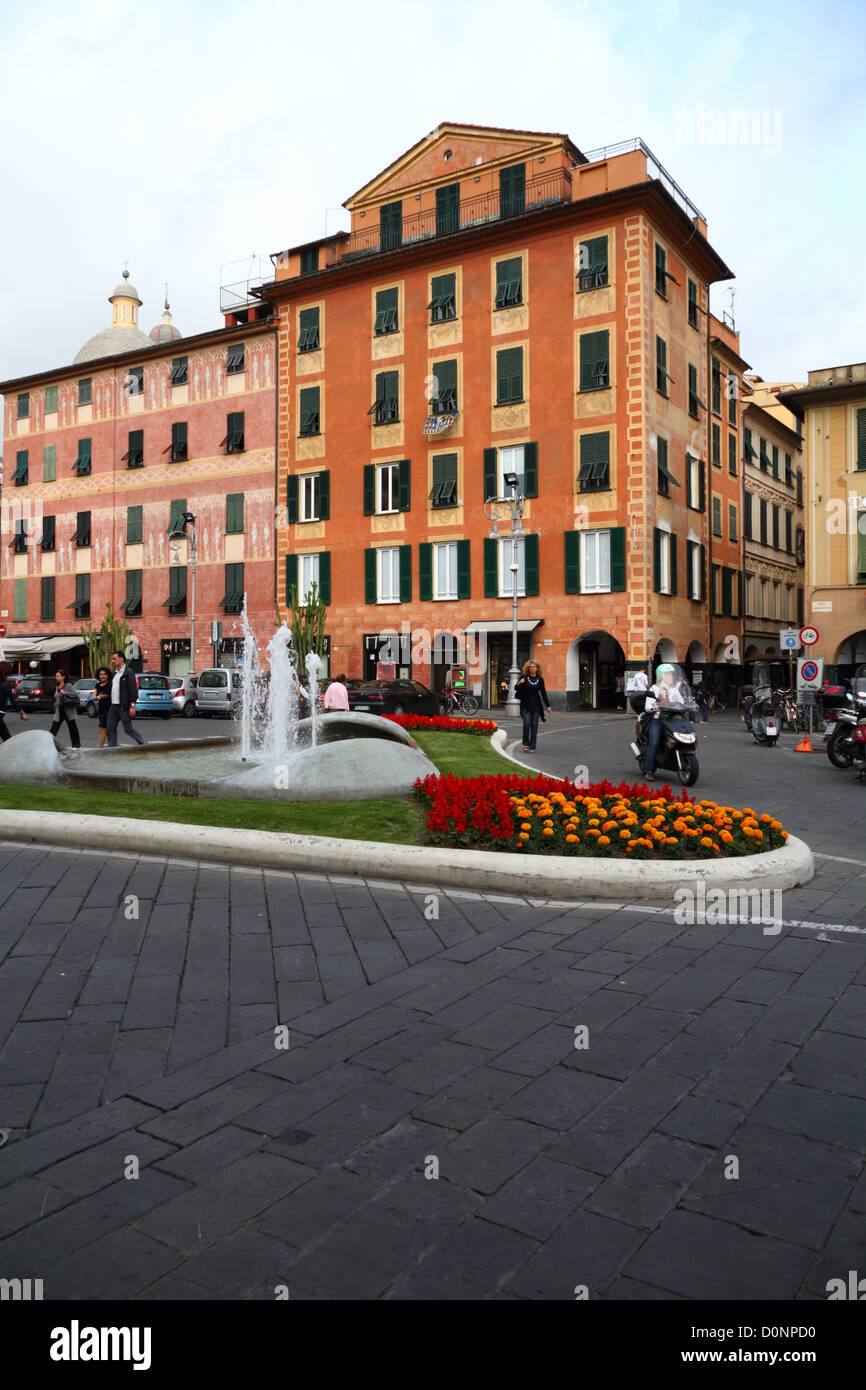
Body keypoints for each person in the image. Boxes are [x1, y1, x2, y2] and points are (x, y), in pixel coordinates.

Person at [643, 663, 682, 781]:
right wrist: (653, 707)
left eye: (671, 674)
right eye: (668, 674)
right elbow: (647, 706)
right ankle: (649, 770)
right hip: (659, 719)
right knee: (653, 743)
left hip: (673, 719)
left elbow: (681, 701)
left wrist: (689, 706)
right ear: (661, 676)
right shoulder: (654, 689)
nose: (671, 677)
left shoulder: (674, 689)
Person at [106, 650, 145, 747]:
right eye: (112, 659)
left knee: (128, 729)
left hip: (124, 706)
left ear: (121, 659)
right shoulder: (115, 673)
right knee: (110, 727)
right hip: (114, 706)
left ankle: (143, 743)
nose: (112, 661)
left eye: (114, 659)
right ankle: (112, 747)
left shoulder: (128, 672)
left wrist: (132, 706)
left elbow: (133, 690)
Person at [515, 660, 551, 753]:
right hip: (525, 705)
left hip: (536, 705)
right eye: (531, 667)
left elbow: (543, 693)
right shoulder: (524, 677)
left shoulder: (540, 679)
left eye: (534, 667)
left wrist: (548, 706)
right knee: (527, 724)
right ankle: (526, 743)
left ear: (537, 668)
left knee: (534, 726)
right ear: (528, 668)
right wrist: (520, 683)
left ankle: (532, 746)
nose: (532, 668)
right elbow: (516, 688)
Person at [49, 670, 82, 748]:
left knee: (72, 728)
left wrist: (65, 693)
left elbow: (75, 694)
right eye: (56, 676)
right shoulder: (57, 687)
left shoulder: (68, 685)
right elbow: (57, 698)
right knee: (54, 728)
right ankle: (48, 744)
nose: (56, 677)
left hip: (68, 710)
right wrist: (55, 704)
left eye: (58, 676)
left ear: (63, 677)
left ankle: (76, 745)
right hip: (59, 710)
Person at [0, 662, 30, 741]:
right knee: (7, 738)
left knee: (6, 737)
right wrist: (22, 714)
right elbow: (13, 701)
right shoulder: (6, 684)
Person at [93, 666, 113, 748]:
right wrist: (98, 697)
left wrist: (99, 696)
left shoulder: (110, 684)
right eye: (101, 674)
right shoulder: (97, 685)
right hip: (101, 709)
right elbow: (93, 697)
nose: (103, 676)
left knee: (102, 729)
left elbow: (106, 695)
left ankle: (99, 749)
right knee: (108, 731)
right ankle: (116, 746)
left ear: (108, 675)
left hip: (110, 709)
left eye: (105, 674)